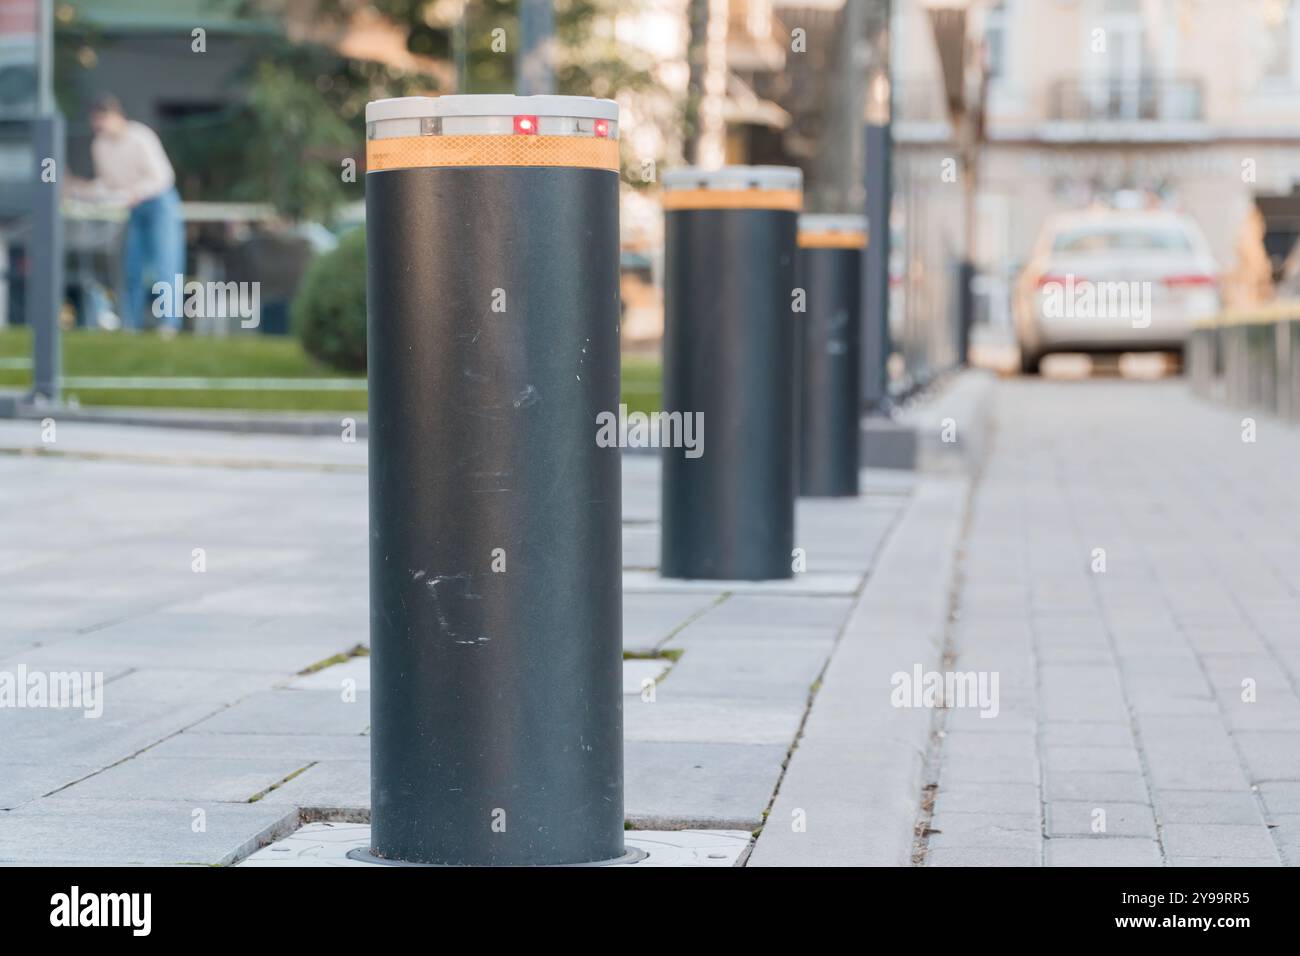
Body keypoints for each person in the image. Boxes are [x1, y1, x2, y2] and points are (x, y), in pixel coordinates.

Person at [70, 94, 185, 336]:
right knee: (133, 267)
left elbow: (162, 177)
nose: (98, 127)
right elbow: (108, 185)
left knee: (166, 265)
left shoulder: (140, 137)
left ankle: (168, 326)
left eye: (101, 120)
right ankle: (132, 326)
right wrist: (79, 190)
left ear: (116, 116)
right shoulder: (99, 145)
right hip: (132, 209)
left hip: (159, 204)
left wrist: (137, 191)